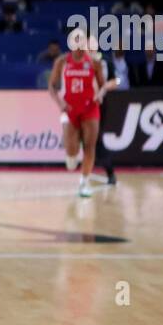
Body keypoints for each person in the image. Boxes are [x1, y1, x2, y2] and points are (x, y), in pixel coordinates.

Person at [49, 29, 110, 198]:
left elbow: (103, 85)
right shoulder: (62, 61)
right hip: (70, 109)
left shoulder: (94, 62)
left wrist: (100, 94)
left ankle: (84, 183)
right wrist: (60, 102)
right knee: (71, 157)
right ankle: (71, 155)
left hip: (90, 108)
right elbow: (52, 86)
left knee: (89, 146)